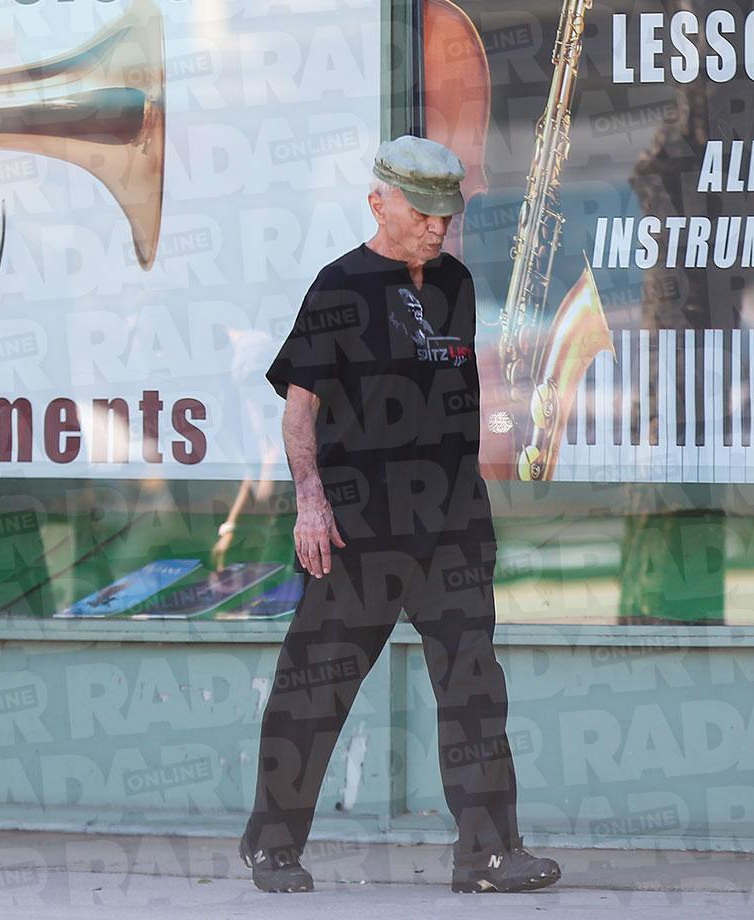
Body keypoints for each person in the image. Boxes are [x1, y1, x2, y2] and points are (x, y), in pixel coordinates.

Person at [240, 135, 562, 895]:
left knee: (474, 685)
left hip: (451, 524)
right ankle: (272, 845)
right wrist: (310, 505)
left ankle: (487, 853)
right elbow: (299, 413)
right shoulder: (338, 286)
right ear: (379, 201)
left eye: (445, 216)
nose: (435, 228)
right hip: (360, 526)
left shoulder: (454, 282)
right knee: (316, 685)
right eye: (421, 213)